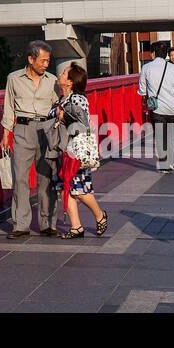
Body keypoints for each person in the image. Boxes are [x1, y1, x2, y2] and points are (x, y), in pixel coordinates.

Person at [0, 41, 62, 239]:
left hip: (47, 129)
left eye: (48, 61)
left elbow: (58, 105)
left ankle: (47, 223)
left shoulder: (53, 80)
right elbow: (9, 107)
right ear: (31, 59)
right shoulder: (14, 79)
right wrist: (5, 134)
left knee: (46, 178)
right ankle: (20, 224)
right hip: (22, 129)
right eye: (43, 61)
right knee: (20, 179)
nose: (46, 64)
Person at [47, 64, 109, 239]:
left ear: (70, 82)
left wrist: (63, 115)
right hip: (66, 150)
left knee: (79, 190)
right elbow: (50, 113)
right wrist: (58, 111)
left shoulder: (78, 99)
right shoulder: (63, 99)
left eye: (65, 73)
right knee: (65, 187)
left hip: (77, 151)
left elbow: (83, 122)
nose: (61, 73)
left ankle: (100, 215)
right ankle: (76, 227)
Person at [138, 42, 174, 172]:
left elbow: (142, 91)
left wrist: (145, 102)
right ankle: (170, 162)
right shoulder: (173, 68)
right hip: (172, 107)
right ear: (166, 54)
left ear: (153, 53)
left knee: (160, 135)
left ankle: (164, 163)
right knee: (170, 134)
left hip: (156, 108)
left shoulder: (146, 68)